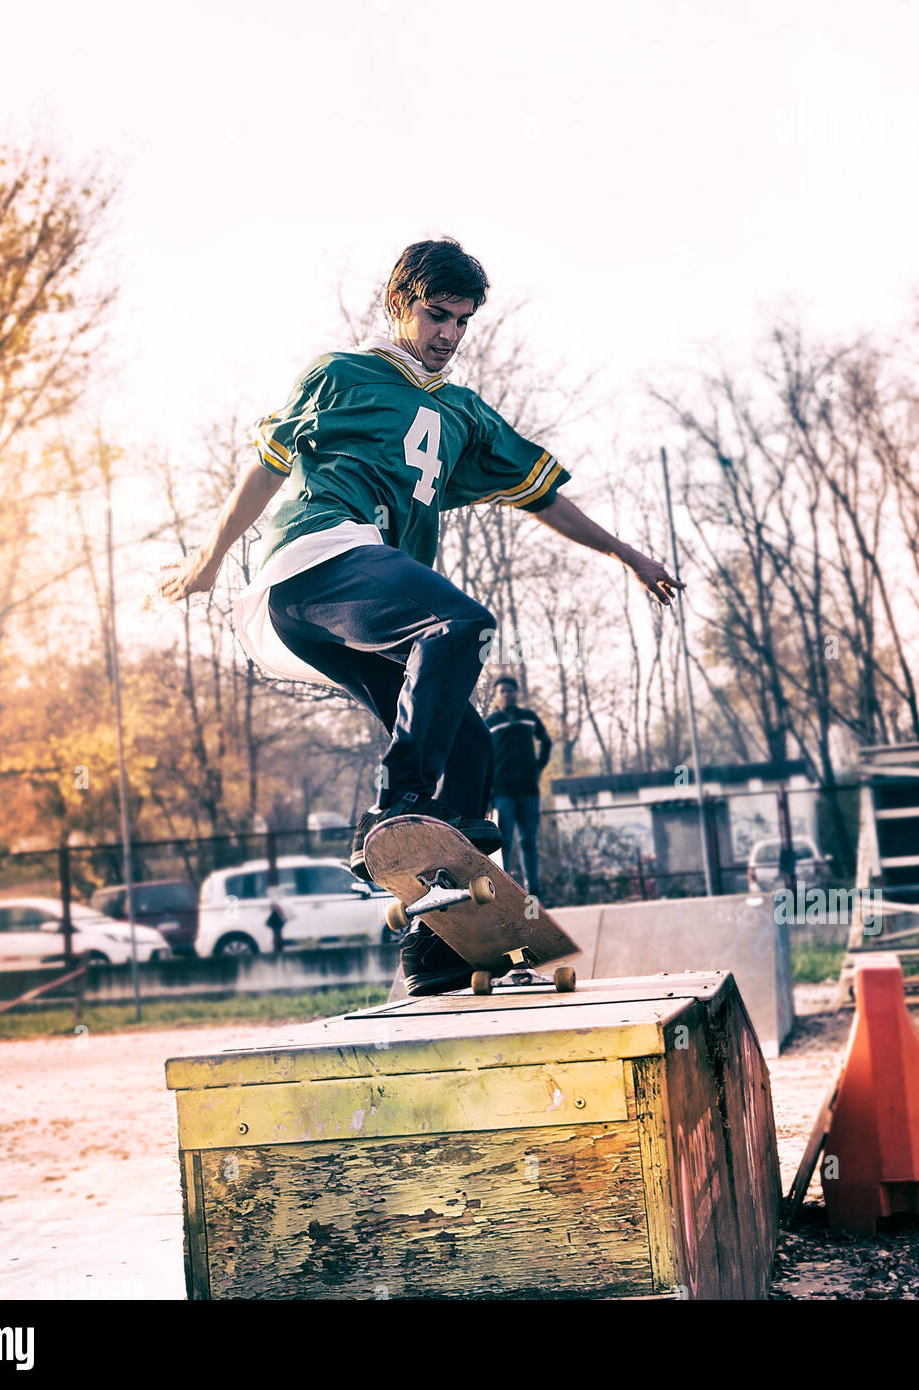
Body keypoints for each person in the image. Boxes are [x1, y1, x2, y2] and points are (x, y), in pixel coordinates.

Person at [159, 237, 683, 994]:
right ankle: (394, 808)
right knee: (459, 623)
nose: (448, 335)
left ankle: (432, 956)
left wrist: (626, 554)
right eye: (436, 315)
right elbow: (267, 468)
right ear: (398, 304)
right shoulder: (341, 374)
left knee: (472, 752)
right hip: (313, 565)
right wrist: (209, 561)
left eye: (463, 322)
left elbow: (542, 498)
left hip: (364, 606)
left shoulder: (465, 413)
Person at [486, 676, 552, 900]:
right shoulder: (490, 723)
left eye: (510, 691)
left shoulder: (528, 718)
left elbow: (546, 742)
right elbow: (483, 758)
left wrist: (538, 768)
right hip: (503, 792)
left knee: (528, 841)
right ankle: (504, 890)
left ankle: (533, 890)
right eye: (502, 691)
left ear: (516, 694)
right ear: (497, 695)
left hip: (528, 791)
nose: (506, 694)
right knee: (504, 842)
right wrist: (489, 791)